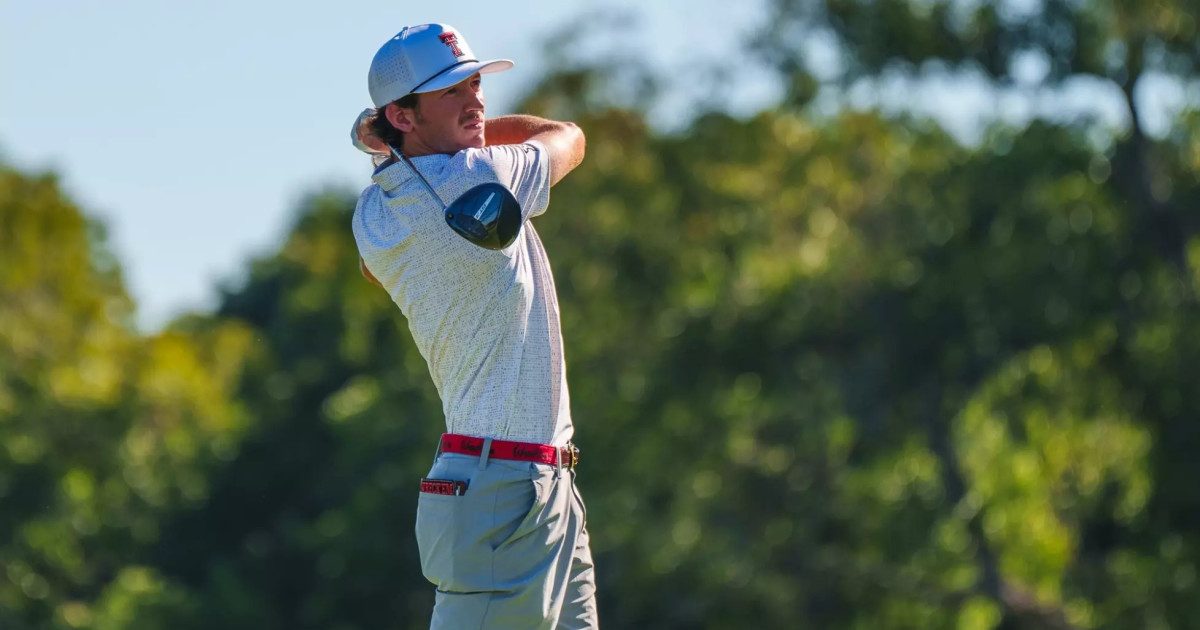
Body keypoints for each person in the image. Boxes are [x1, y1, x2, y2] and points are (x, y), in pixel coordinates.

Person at [349, 23, 597, 630]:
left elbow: (372, 266)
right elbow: (567, 137)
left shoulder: (373, 215)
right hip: (500, 490)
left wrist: (384, 140)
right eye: (451, 90)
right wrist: (389, 139)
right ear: (403, 115)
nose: (476, 100)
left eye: (475, 82)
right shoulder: (481, 177)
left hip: (537, 483)